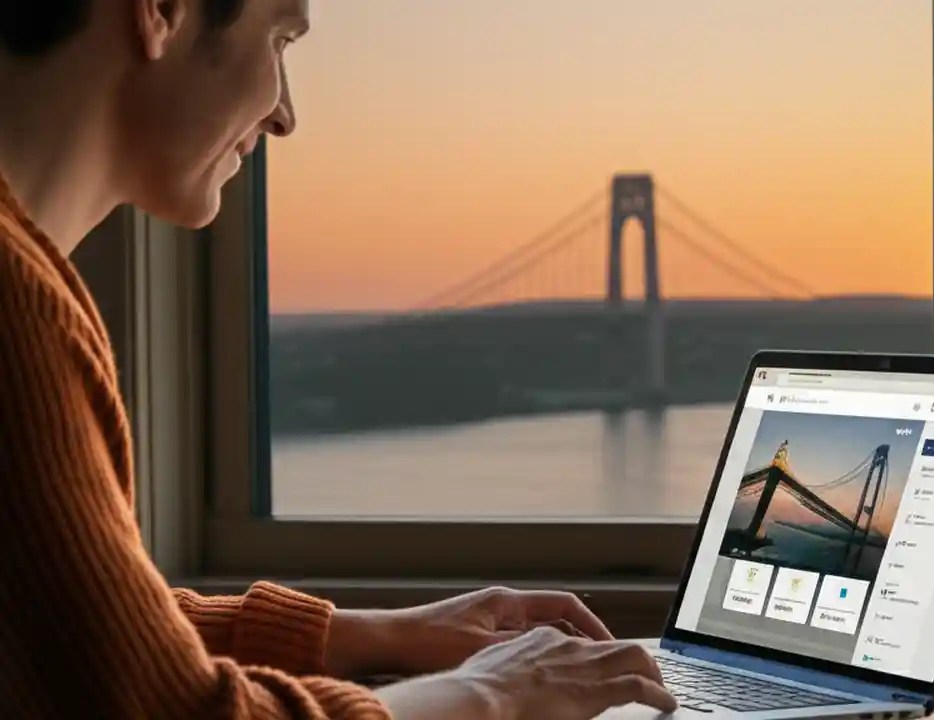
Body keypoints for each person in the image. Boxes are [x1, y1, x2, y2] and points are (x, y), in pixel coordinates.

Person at [0, 1, 678, 718]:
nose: (285, 114)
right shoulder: (18, 313)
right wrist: (495, 694)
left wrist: (370, 634)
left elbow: (67, 630)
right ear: (162, 10)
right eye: (280, 40)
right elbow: (177, 711)